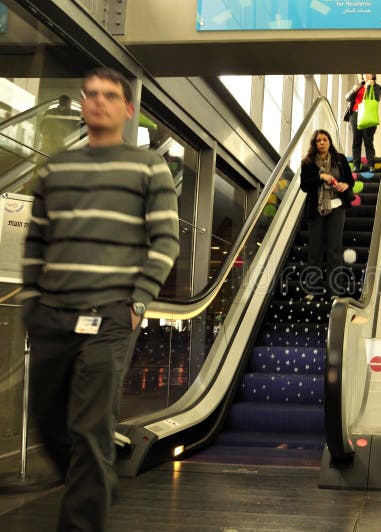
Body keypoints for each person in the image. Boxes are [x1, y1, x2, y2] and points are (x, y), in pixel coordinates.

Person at [20, 68, 180, 530]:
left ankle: (84, 511)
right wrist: (31, 298)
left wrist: (137, 302)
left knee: (89, 428)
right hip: (50, 314)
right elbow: (36, 240)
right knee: (49, 425)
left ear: (128, 110)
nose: (98, 102)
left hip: (108, 317)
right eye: (90, 94)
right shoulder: (56, 168)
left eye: (110, 96)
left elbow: (165, 240)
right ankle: (98, 478)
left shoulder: (148, 166)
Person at [299, 129, 355, 297]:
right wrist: (321, 177)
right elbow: (304, 186)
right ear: (314, 144)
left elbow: (349, 180)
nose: (322, 142)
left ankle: (335, 290)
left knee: (334, 249)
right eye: (318, 140)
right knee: (315, 249)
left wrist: (345, 185)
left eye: (325, 139)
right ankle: (312, 288)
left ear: (329, 142)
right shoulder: (308, 162)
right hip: (316, 210)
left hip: (337, 207)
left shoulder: (340, 159)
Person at [344, 74, 381, 172]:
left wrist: (369, 87)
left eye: (368, 73)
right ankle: (356, 166)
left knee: (368, 141)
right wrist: (354, 90)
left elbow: (376, 99)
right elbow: (348, 98)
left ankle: (371, 165)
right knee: (356, 141)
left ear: (373, 75)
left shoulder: (377, 87)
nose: (365, 75)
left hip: (367, 115)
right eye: (364, 73)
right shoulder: (358, 86)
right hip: (355, 115)